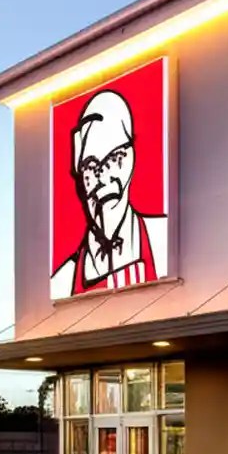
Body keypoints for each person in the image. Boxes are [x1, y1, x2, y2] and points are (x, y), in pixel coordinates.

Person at [51, 90, 166, 298]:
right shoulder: (61, 283)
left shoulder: (163, 239)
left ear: (131, 159)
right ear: (79, 177)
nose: (103, 176)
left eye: (114, 158)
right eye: (91, 165)